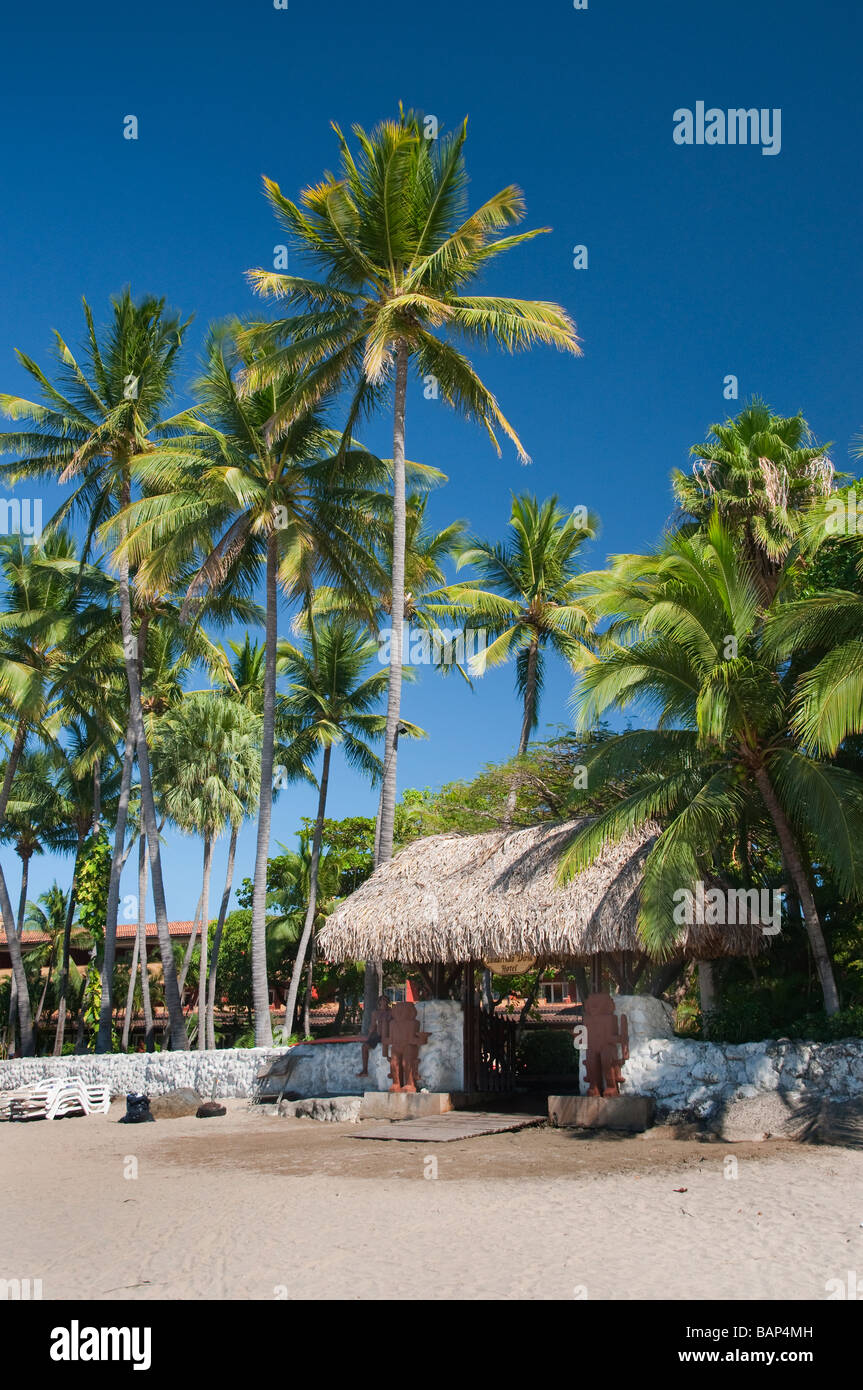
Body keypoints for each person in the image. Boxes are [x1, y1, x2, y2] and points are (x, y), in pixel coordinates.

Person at [356, 995, 392, 1077]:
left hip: (389, 1035)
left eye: (385, 1000)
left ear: (388, 1002)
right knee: (364, 1047)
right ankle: (365, 1070)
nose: (383, 1002)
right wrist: (368, 1038)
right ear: (379, 1002)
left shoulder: (392, 1012)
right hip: (379, 1036)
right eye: (382, 1000)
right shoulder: (375, 1013)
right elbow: (372, 1027)